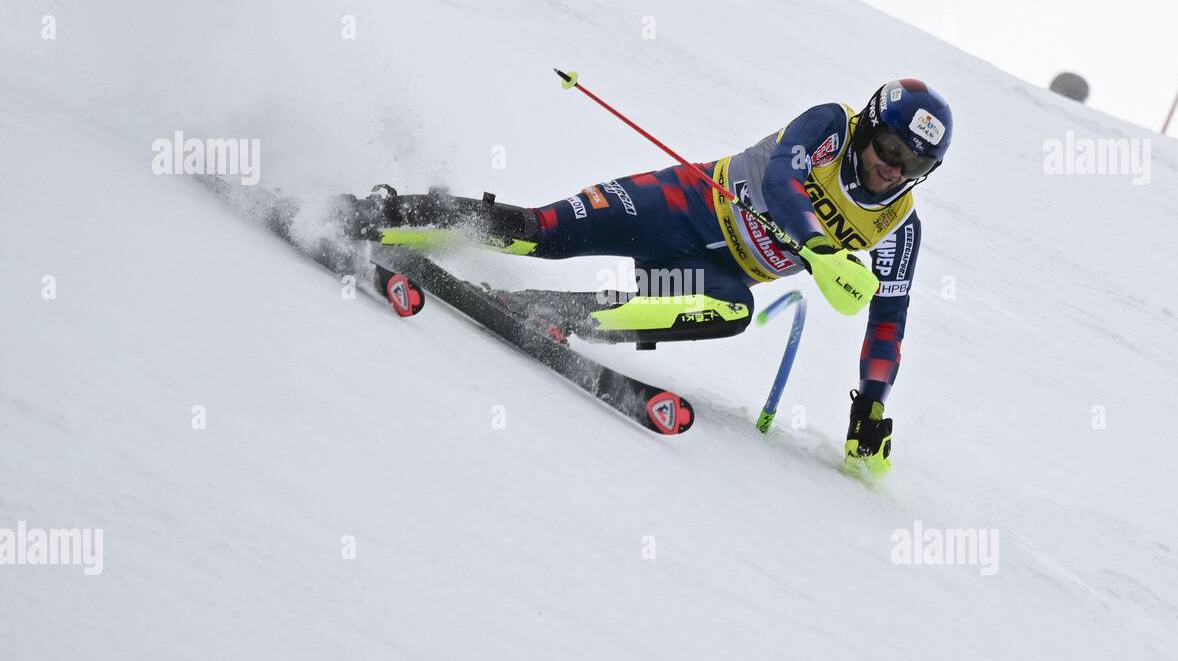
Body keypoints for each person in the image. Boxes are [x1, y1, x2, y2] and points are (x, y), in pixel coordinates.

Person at [340, 78, 953, 478]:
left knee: (730, 310)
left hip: (701, 273)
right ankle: (386, 214)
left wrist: (871, 405)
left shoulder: (899, 226)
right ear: (869, 128)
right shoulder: (832, 125)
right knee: (542, 231)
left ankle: (546, 310)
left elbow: (888, 320)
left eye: (913, 165)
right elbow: (782, 181)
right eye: (889, 149)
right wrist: (817, 246)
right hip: (676, 204)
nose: (891, 170)